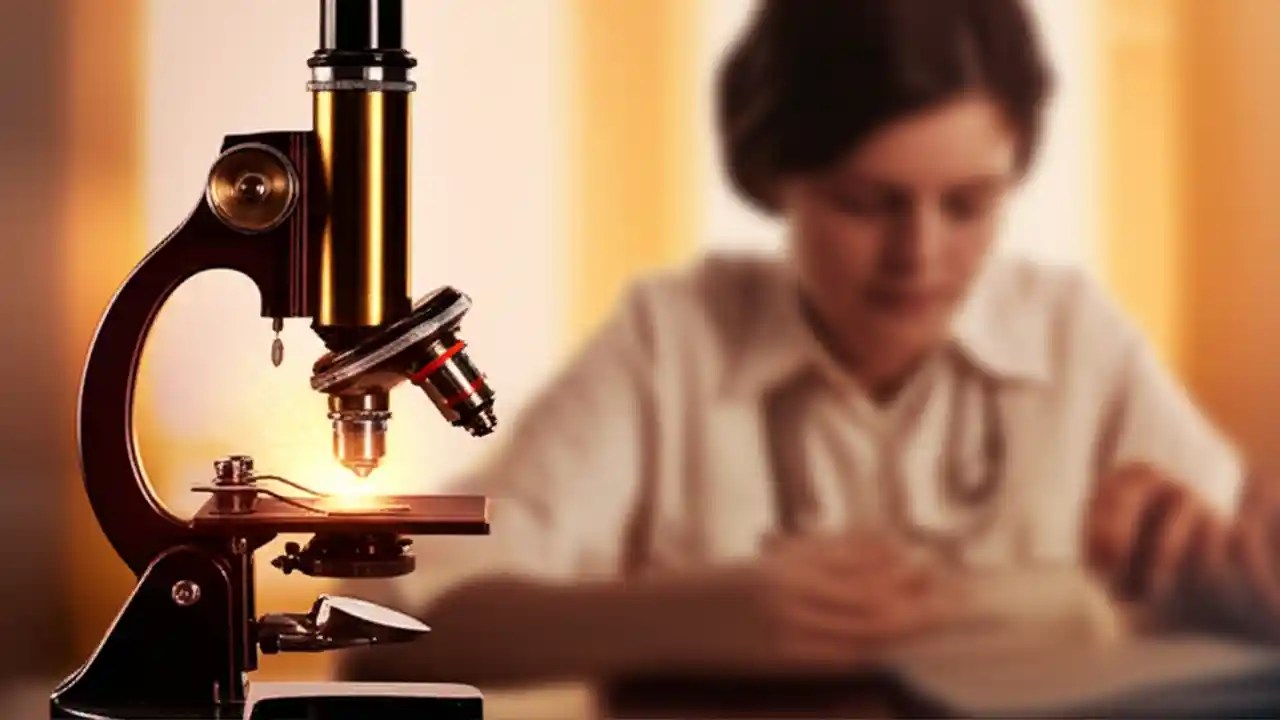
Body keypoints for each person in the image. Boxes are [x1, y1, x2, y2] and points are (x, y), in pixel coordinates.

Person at [338, 0, 1280, 687]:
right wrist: (698, 610)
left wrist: (1226, 582)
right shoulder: (673, 342)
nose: (921, 255)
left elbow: (1237, 565)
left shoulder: (1074, 335)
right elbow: (392, 636)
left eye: (969, 204)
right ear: (778, 180)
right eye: (866, 204)